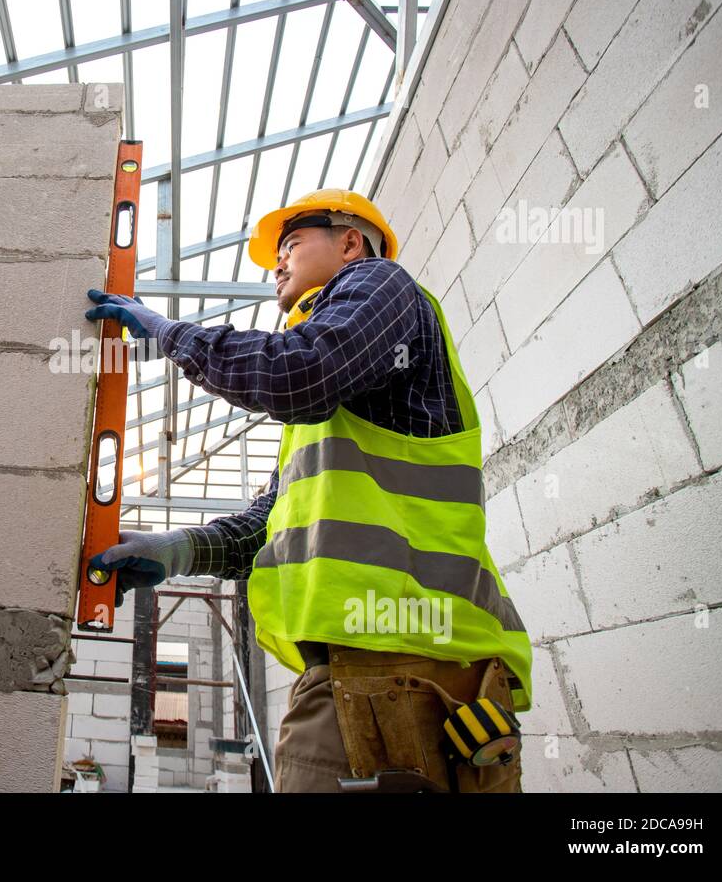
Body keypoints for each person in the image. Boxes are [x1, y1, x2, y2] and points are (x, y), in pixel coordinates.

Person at [83, 189, 532, 793]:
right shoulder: (329, 419)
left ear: (350, 241)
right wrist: (177, 551)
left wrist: (171, 335)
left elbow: (299, 371)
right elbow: (268, 526)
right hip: (378, 673)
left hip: (406, 670)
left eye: (291, 244)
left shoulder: (382, 284)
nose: (276, 265)